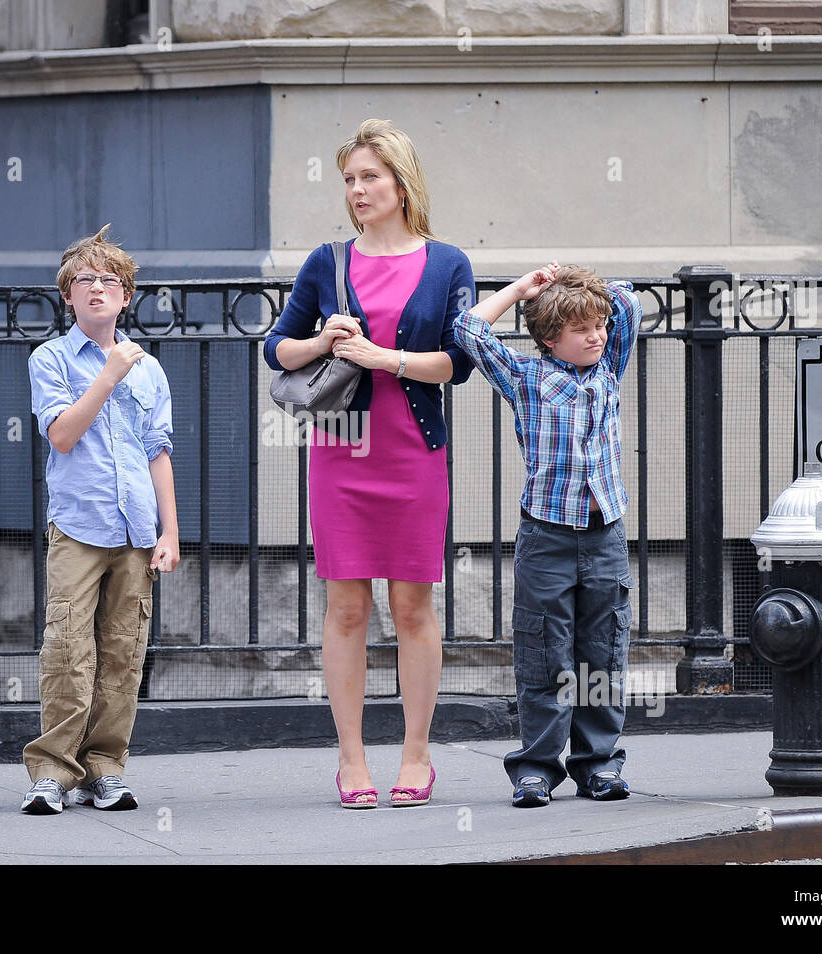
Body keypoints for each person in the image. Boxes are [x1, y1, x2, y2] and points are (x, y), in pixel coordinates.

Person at [264, 119, 475, 808]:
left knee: (412, 603)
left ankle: (416, 754)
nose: (356, 190)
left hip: (413, 450)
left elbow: (460, 362)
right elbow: (277, 351)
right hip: (342, 450)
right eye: (349, 179)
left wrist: (388, 360)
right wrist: (322, 337)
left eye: (369, 177)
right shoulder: (327, 263)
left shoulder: (447, 264)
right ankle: (351, 761)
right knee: (347, 605)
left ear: (401, 182)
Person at [452, 262, 642, 807]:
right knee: (545, 654)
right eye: (581, 328)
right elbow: (469, 330)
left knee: (602, 653)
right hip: (546, 537)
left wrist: (580, 287)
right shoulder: (526, 379)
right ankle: (536, 768)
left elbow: (626, 301)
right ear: (550, 338)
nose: (596, 335)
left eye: (597, 325)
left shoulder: (609, 366)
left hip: (604, 534)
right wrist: (521, 290)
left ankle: (599, 764)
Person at [20, 225, 180, 815]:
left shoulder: (151, 369)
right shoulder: (51, 359)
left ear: (126, 295)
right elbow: (61, 434)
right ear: (67, 294)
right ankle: (52, 774)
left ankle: (104, 769)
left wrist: (170, 531)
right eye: (84, 280)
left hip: (137, 530)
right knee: (67, 649)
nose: (97, 289)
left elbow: (157, 450)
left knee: (123, 652)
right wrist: (108, 373)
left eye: (109, 280)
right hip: (79, 527)